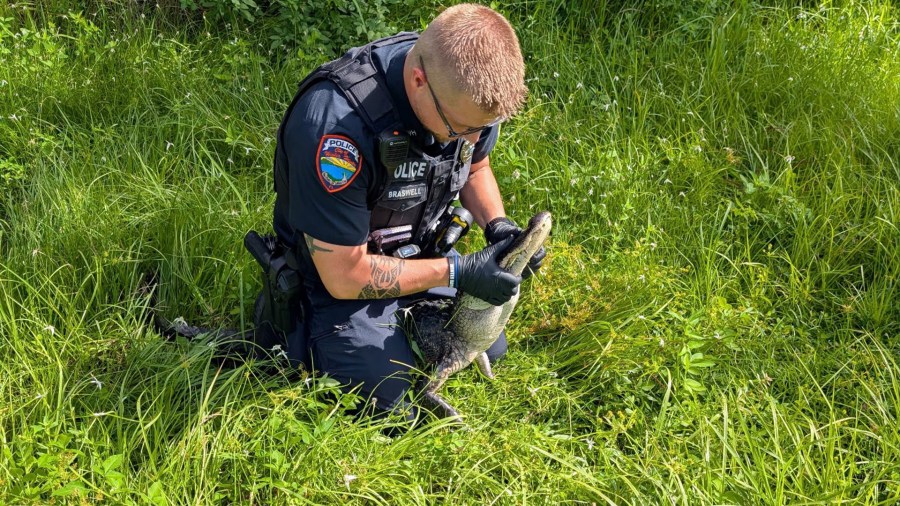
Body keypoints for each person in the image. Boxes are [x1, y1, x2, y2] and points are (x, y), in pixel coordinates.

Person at [269, 3, 544, 420]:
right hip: (335, 278)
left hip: (419, 249)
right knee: (390, 404)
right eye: (460, 129)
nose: (472, 139)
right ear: (419, 80)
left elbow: (475, 165)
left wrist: (499, 226)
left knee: (493, 345)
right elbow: (343, 275)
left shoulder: (461, 94)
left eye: (483, 128)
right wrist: (458, 273)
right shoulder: (336, 129)